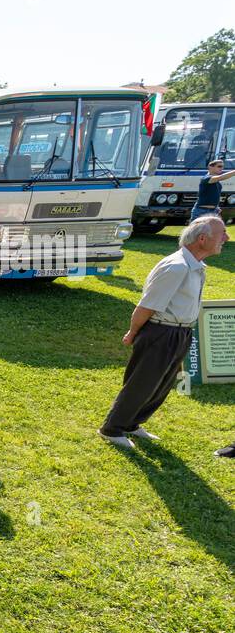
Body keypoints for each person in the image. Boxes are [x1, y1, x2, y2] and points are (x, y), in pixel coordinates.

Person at [99, 215, 228, 448]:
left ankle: (132, 424)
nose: (226, 238)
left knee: (162, 384)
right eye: (222, 234)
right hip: (161, 332)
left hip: (180, 333)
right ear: (202, 239)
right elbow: (146, 306)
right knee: (143, 383)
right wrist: (132, 332)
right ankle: (112, 428)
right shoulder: (176, 267)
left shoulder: (195, 266)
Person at [192, 159, 235, 224]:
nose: (222, 168)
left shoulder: (217, 182)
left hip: (214, 211)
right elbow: (221, 177)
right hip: (201, 211)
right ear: (210, 167)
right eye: (219, 166)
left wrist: (217, 207)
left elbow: (214, 195)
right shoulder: (206, 178)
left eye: (222, 167)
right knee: (195, 232)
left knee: (216, 232)